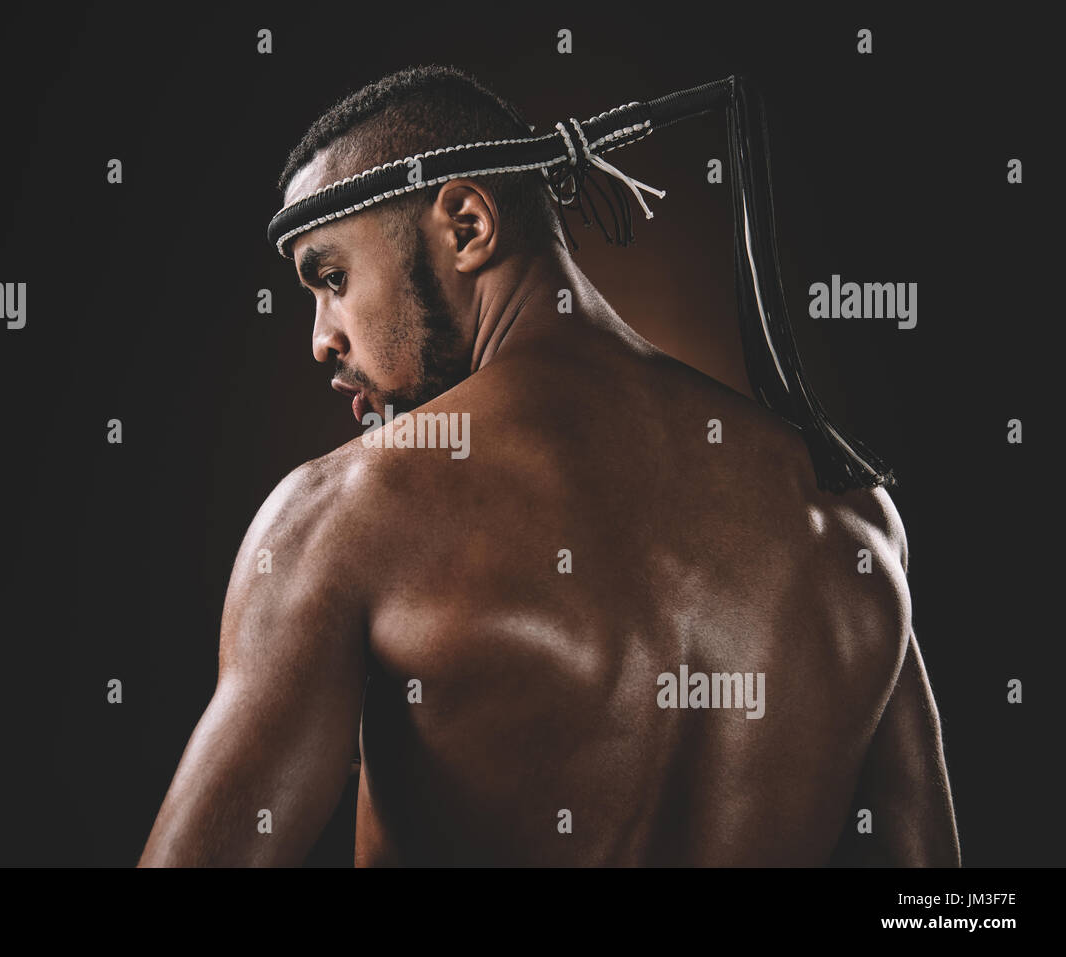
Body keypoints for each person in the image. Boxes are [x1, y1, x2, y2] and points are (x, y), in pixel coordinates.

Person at [138, 65, 960, 866]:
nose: (323, 338)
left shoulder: (341, 515)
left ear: (466, 225)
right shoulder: (852, 523)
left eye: (333, 277)